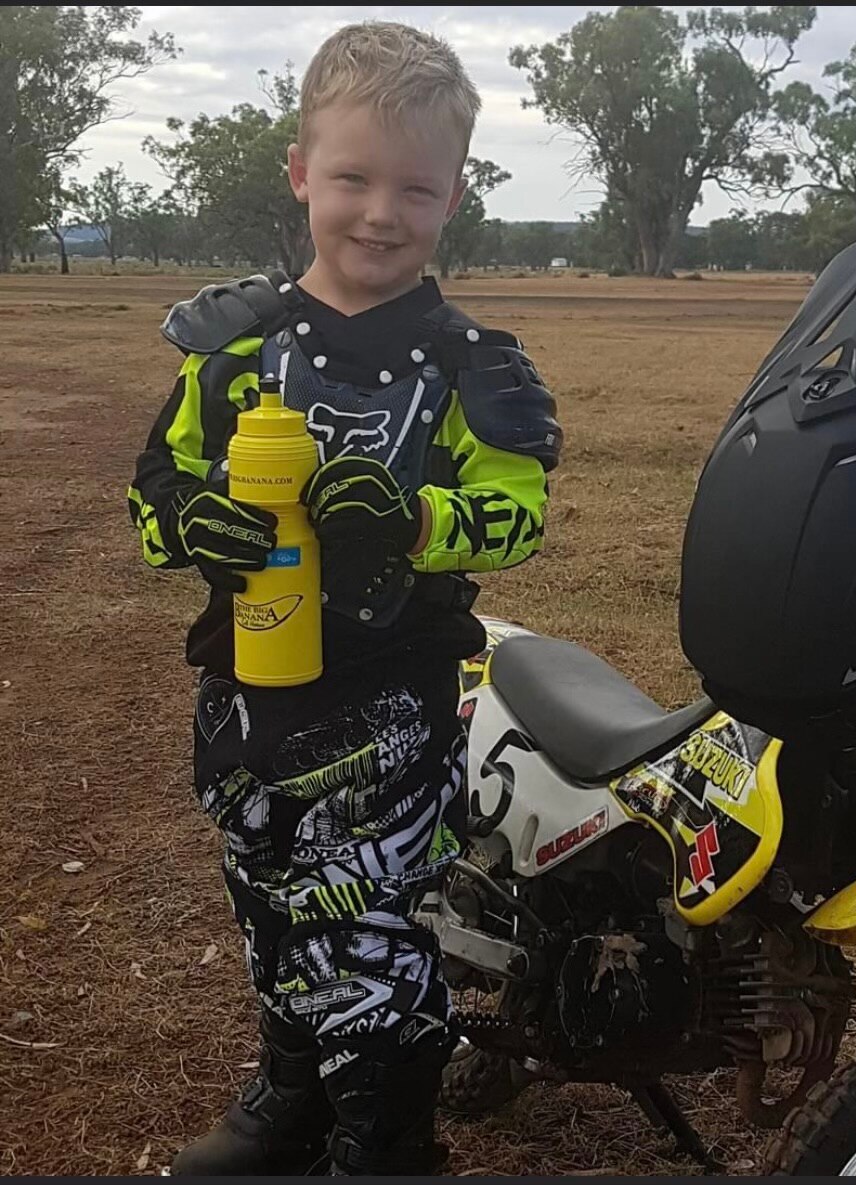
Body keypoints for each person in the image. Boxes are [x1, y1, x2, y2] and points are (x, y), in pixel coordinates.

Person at [126, 20, 560, 1176]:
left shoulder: (473, 364)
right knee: (263, 885)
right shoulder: (230, 350)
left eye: (414, 188)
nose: (380, 212)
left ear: (453, 195)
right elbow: (154, 488)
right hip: (245, 686)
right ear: (301, 171)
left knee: (371, 922)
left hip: (392, 699)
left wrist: (418, 525)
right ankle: (292, 1094)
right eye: (354, 177)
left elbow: (518, 506)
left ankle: (389, 1141)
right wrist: (190, 525)